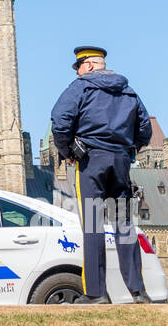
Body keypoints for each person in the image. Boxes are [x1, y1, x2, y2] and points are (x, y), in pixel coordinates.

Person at [49, 46, 153, 304]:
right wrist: (128, 149)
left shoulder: (80, 87)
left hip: (91, 162)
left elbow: (60, 121)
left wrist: (68, 151)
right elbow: (145, 129)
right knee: (124, 225)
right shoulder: (128, 91)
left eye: (80, 66)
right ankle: (138, 292)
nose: (78, 71)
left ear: (91, 66)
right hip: (120, 163)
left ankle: (96, 293)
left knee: (93, 226)